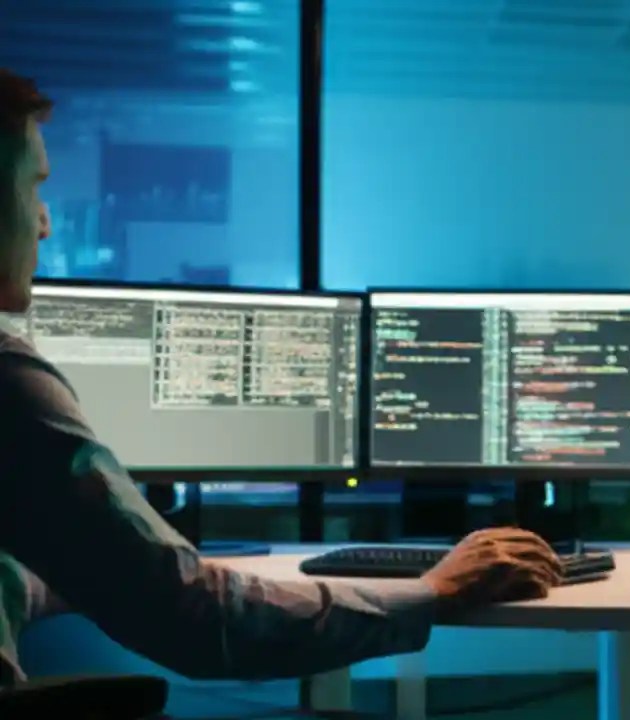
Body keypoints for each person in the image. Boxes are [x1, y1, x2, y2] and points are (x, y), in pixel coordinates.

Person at [0, 69, 563, 685]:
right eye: (33, 187)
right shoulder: (7, 378)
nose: (46, 222)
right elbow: (194, 616)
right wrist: (433, 593)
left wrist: (100, 568)